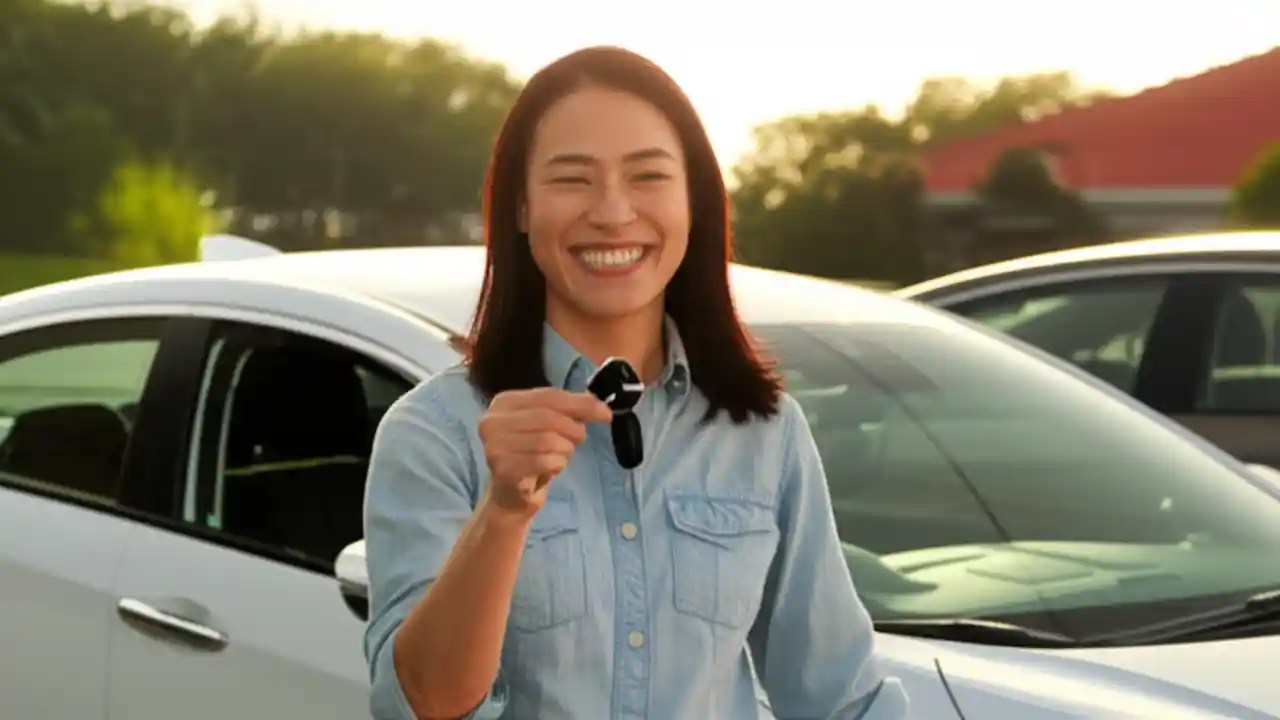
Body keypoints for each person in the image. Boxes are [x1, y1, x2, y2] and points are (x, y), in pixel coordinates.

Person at [362, 45, 909, 720]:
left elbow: (838, 697)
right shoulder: (437, 432)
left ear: (694, 202)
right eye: (573, 180)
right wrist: (504, 511)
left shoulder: (763, 431)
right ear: (521, 209)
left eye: (648, 176)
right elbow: (422, 705)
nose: (613, 212)